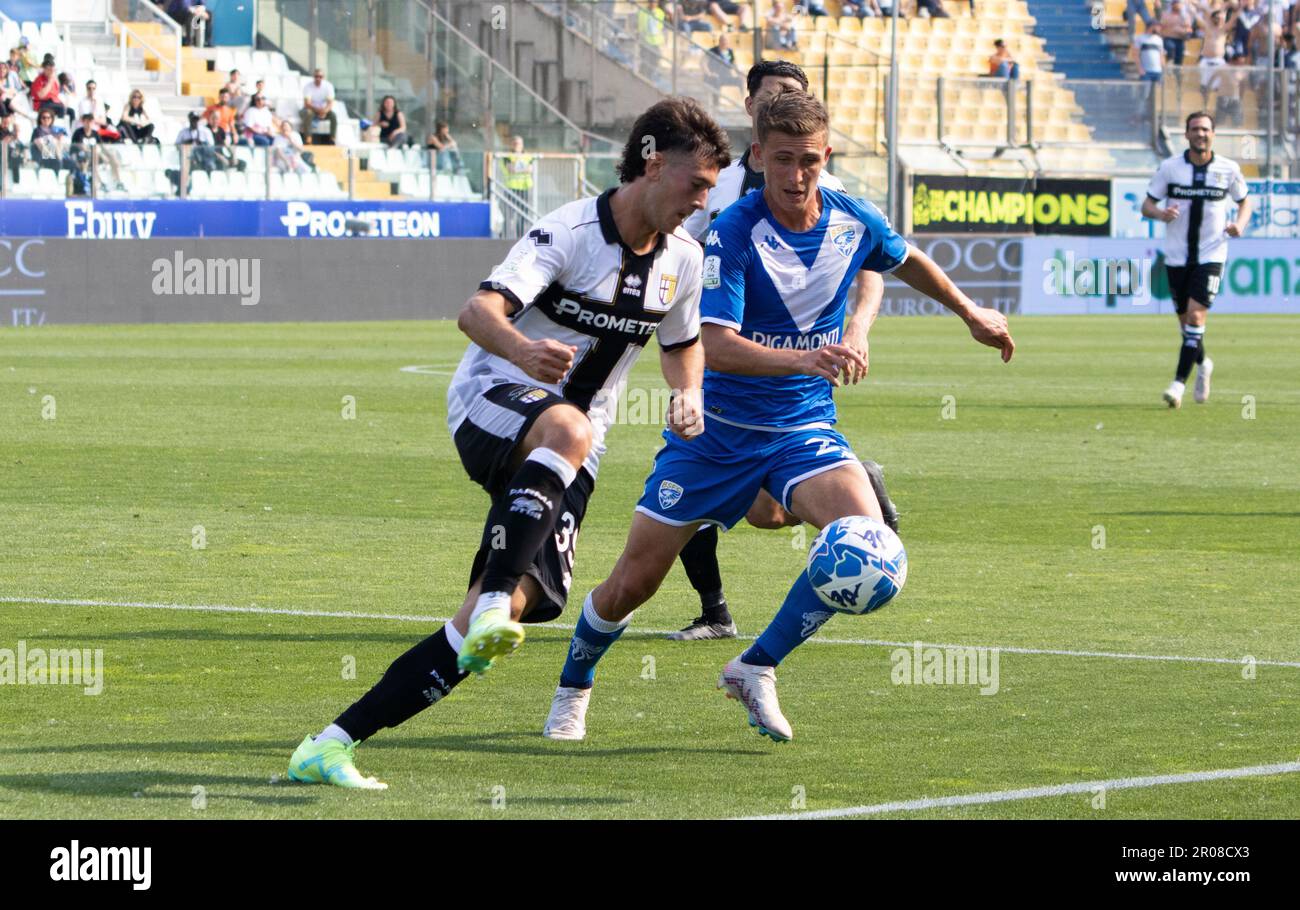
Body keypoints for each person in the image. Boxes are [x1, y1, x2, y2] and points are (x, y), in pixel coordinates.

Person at [540, 89, 1014, 743]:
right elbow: (716, 346)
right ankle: (572, 690)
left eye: (810, 163)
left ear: (827, 158)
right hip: (716, 434)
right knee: (632, 584)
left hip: (801, 429)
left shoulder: (851, 220)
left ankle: (756, 666)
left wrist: (972, 314)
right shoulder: (732, 233)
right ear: (759, 157)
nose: (797, 177)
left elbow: (906, 260)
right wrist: (807, 358)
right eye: (784, 161)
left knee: (871, 548)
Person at [284, 97, 732, 789]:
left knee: (499, 621)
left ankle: (332, 742)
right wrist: (525, 352)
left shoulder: (683, 260)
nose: (702, 201)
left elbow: (683, 343)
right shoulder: (570, 231)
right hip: (491, 402)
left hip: (571, 453)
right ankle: (496, 594)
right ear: (651, 162)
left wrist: (688, 391)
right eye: (696, 182)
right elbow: (478, 312)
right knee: (567, 426)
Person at [671, 59, 897, 642]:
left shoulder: (831, 191)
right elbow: (676, 241)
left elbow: (873, 262)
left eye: (793, 96)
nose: (780, 104)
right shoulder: (715, 180)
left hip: (790, 375)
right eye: (771, 96)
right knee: (735, 498)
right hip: (710, 342)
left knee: (728, 494)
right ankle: (715, 610)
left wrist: (858, 331)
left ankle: (727, 619)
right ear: (751, 109)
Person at [1142, 112, 1250, 409]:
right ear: (1186, 135)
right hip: (1176, 257)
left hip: (1212, 254)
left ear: (1213, 134)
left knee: (1196, 318)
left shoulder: (1228, 169)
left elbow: (1245, 202)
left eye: (1205, 129)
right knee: (1185, 325)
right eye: (1195, 129)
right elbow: (1147, 204)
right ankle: (1203, 364)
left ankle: (1177, 385)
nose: (1200, 134)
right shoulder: (1170, 168)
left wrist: (1240, 224)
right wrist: (1160, 213)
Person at [71, 111, 125, 191]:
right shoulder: (78, 133)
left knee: (112, 155)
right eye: (87, 121)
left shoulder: (95, 133)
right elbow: (78, 148)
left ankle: (118, 181)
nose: (89, 123)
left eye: (90, 121)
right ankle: (99, 182)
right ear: (83, 122)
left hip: (96, 155)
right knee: (95, 154)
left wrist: (109, 155)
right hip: (83, 158)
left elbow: (102, 146)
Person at [1194, 3, 1240, 95]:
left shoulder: (1224, 29)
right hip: (1206, 61)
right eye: (1216, 17)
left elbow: (1234, 17)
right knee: (1204, 88)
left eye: (1220, 18)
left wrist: (1239, 6)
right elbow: (1195, 15)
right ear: (1212, 18)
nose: (1218, 19)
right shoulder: (1207, 27)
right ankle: (1204, 106)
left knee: (1218, 88)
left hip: (1219, 61)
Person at [499, 134, 535, 237]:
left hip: (524, 188)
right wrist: (523, 169)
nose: (516, 145)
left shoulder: (527, 156)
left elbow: (530, 169)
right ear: (511, 145)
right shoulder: (507, 156)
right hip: (511, 188)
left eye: (518, 143)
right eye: (514, 143)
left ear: (522, 145)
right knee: (508, 214)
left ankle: (521, 236)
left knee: (523, 215)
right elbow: (511, 169)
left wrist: (517, 168)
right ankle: (505, 235)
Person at [300, 68, 336, 145]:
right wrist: (319, 111)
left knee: (333, 115)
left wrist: (325, 111)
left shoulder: (328, 86)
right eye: (316, 76)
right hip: (312, 109)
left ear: (323, 77)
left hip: (324, 110)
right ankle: (308, 138)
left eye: (320, 76)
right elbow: (307, 104)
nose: (318, 78)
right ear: (314, 77)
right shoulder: (308, 87)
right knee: (308, 114)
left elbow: (330, 103)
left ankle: (332, 138)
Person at [1134, 22, 1166, 104]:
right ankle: (1141, 113)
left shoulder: (1159, 39)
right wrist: (1140, 69)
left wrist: (1163, 69)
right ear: (1152, 26)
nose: (1159, 29)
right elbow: (1136, 55)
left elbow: (1161, 56)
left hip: (1158, 71)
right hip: (1146, 71)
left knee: (1157, 95)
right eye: (1158, 26)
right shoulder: (1140, 38)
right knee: (1144, 95)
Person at [1160, 0, 1192, 66]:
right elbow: (1162, 27)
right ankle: (1170, 62)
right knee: (1171, 47)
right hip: (1168, 38)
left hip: (1180, 39)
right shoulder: (1166, 15)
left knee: (1179, 58)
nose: (1178, 5)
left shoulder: (1185, 16)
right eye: (1176, 3)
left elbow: (1189, 30)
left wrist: (1180, 30)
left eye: (1179, 4)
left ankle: (1177, 72)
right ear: (1172, 5)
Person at [0, 110, 25, 186]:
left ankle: (16, 182)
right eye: (4, 122)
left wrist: (15, 132)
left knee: (17, 152)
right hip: (2, 154)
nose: (6, 124)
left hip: (10, 155)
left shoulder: (9, 132)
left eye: (7, 123)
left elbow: (19, 143)